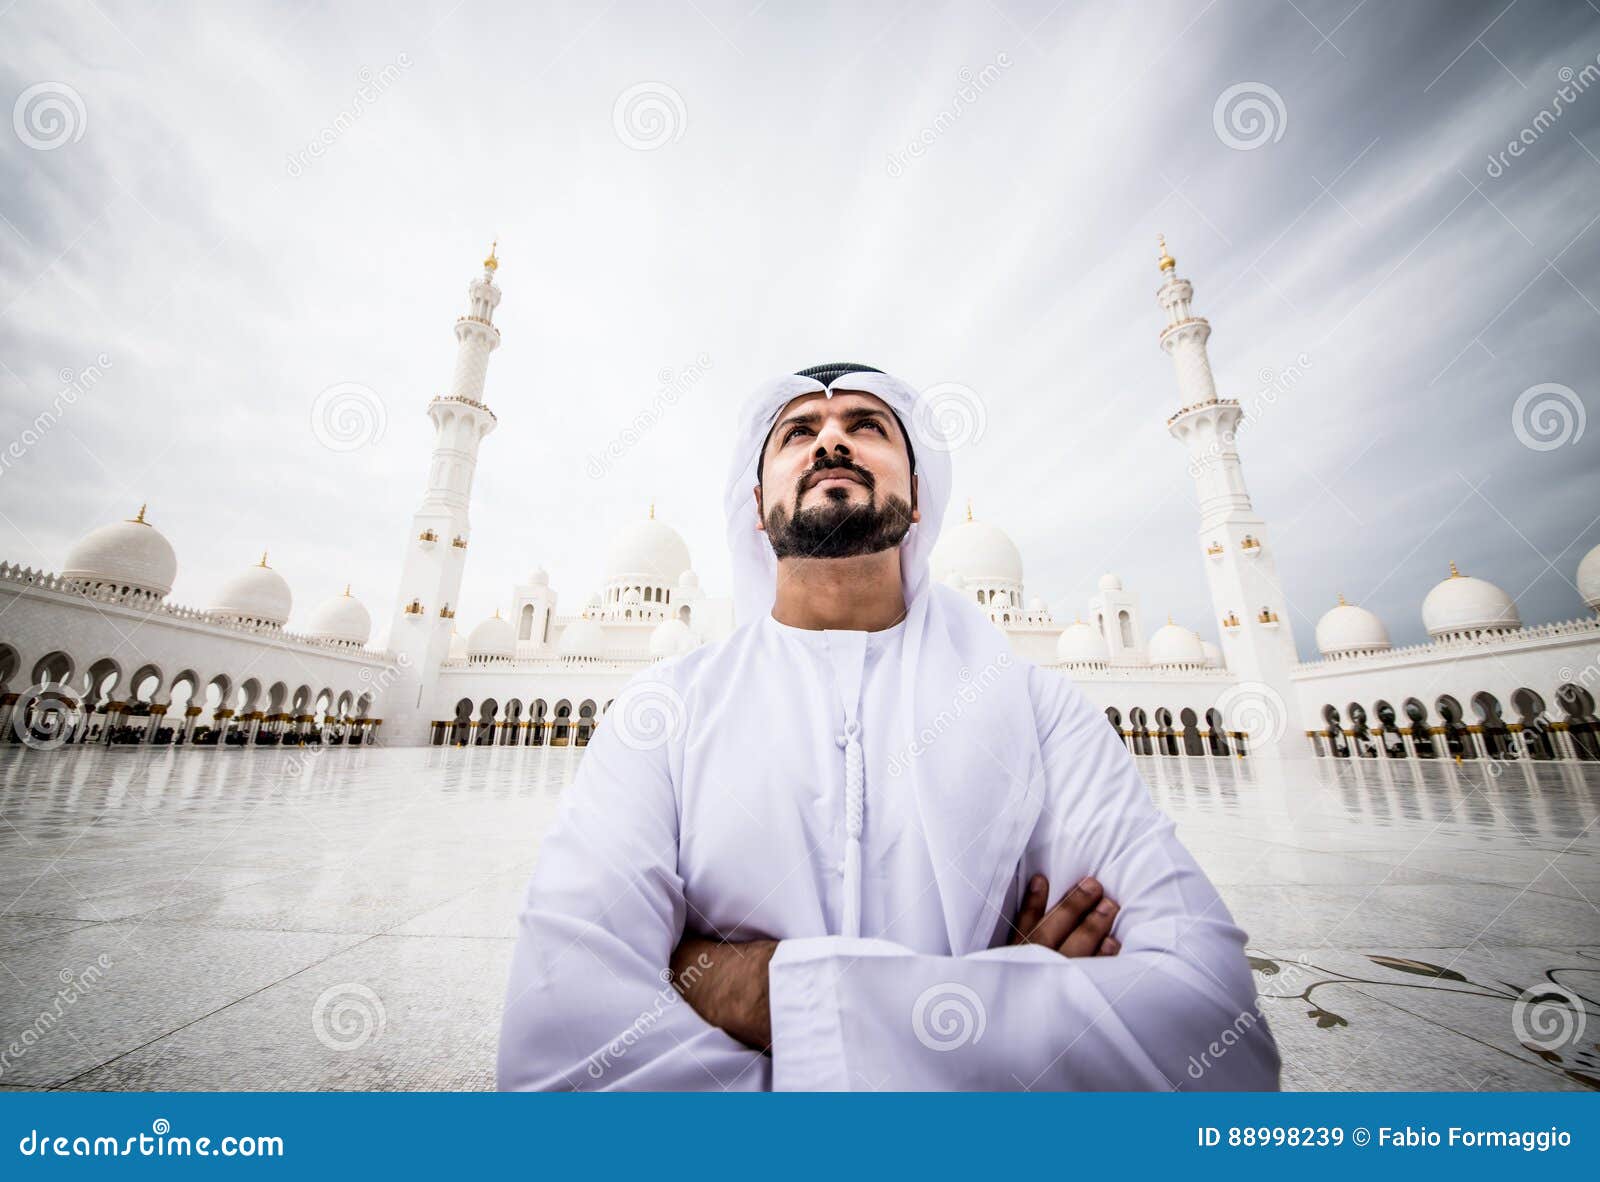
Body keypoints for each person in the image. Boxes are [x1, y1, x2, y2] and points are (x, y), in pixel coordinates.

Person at [496, 364, 1280, 1091]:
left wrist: (736, 982)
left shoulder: (1038, 711)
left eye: (867, 424)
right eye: (799, 432)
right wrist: (992, 1010)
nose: (831, 438)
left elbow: (1217, 1033)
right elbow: (560, 1052)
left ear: (920, 500)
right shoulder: (663, 713)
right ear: (756, 512)